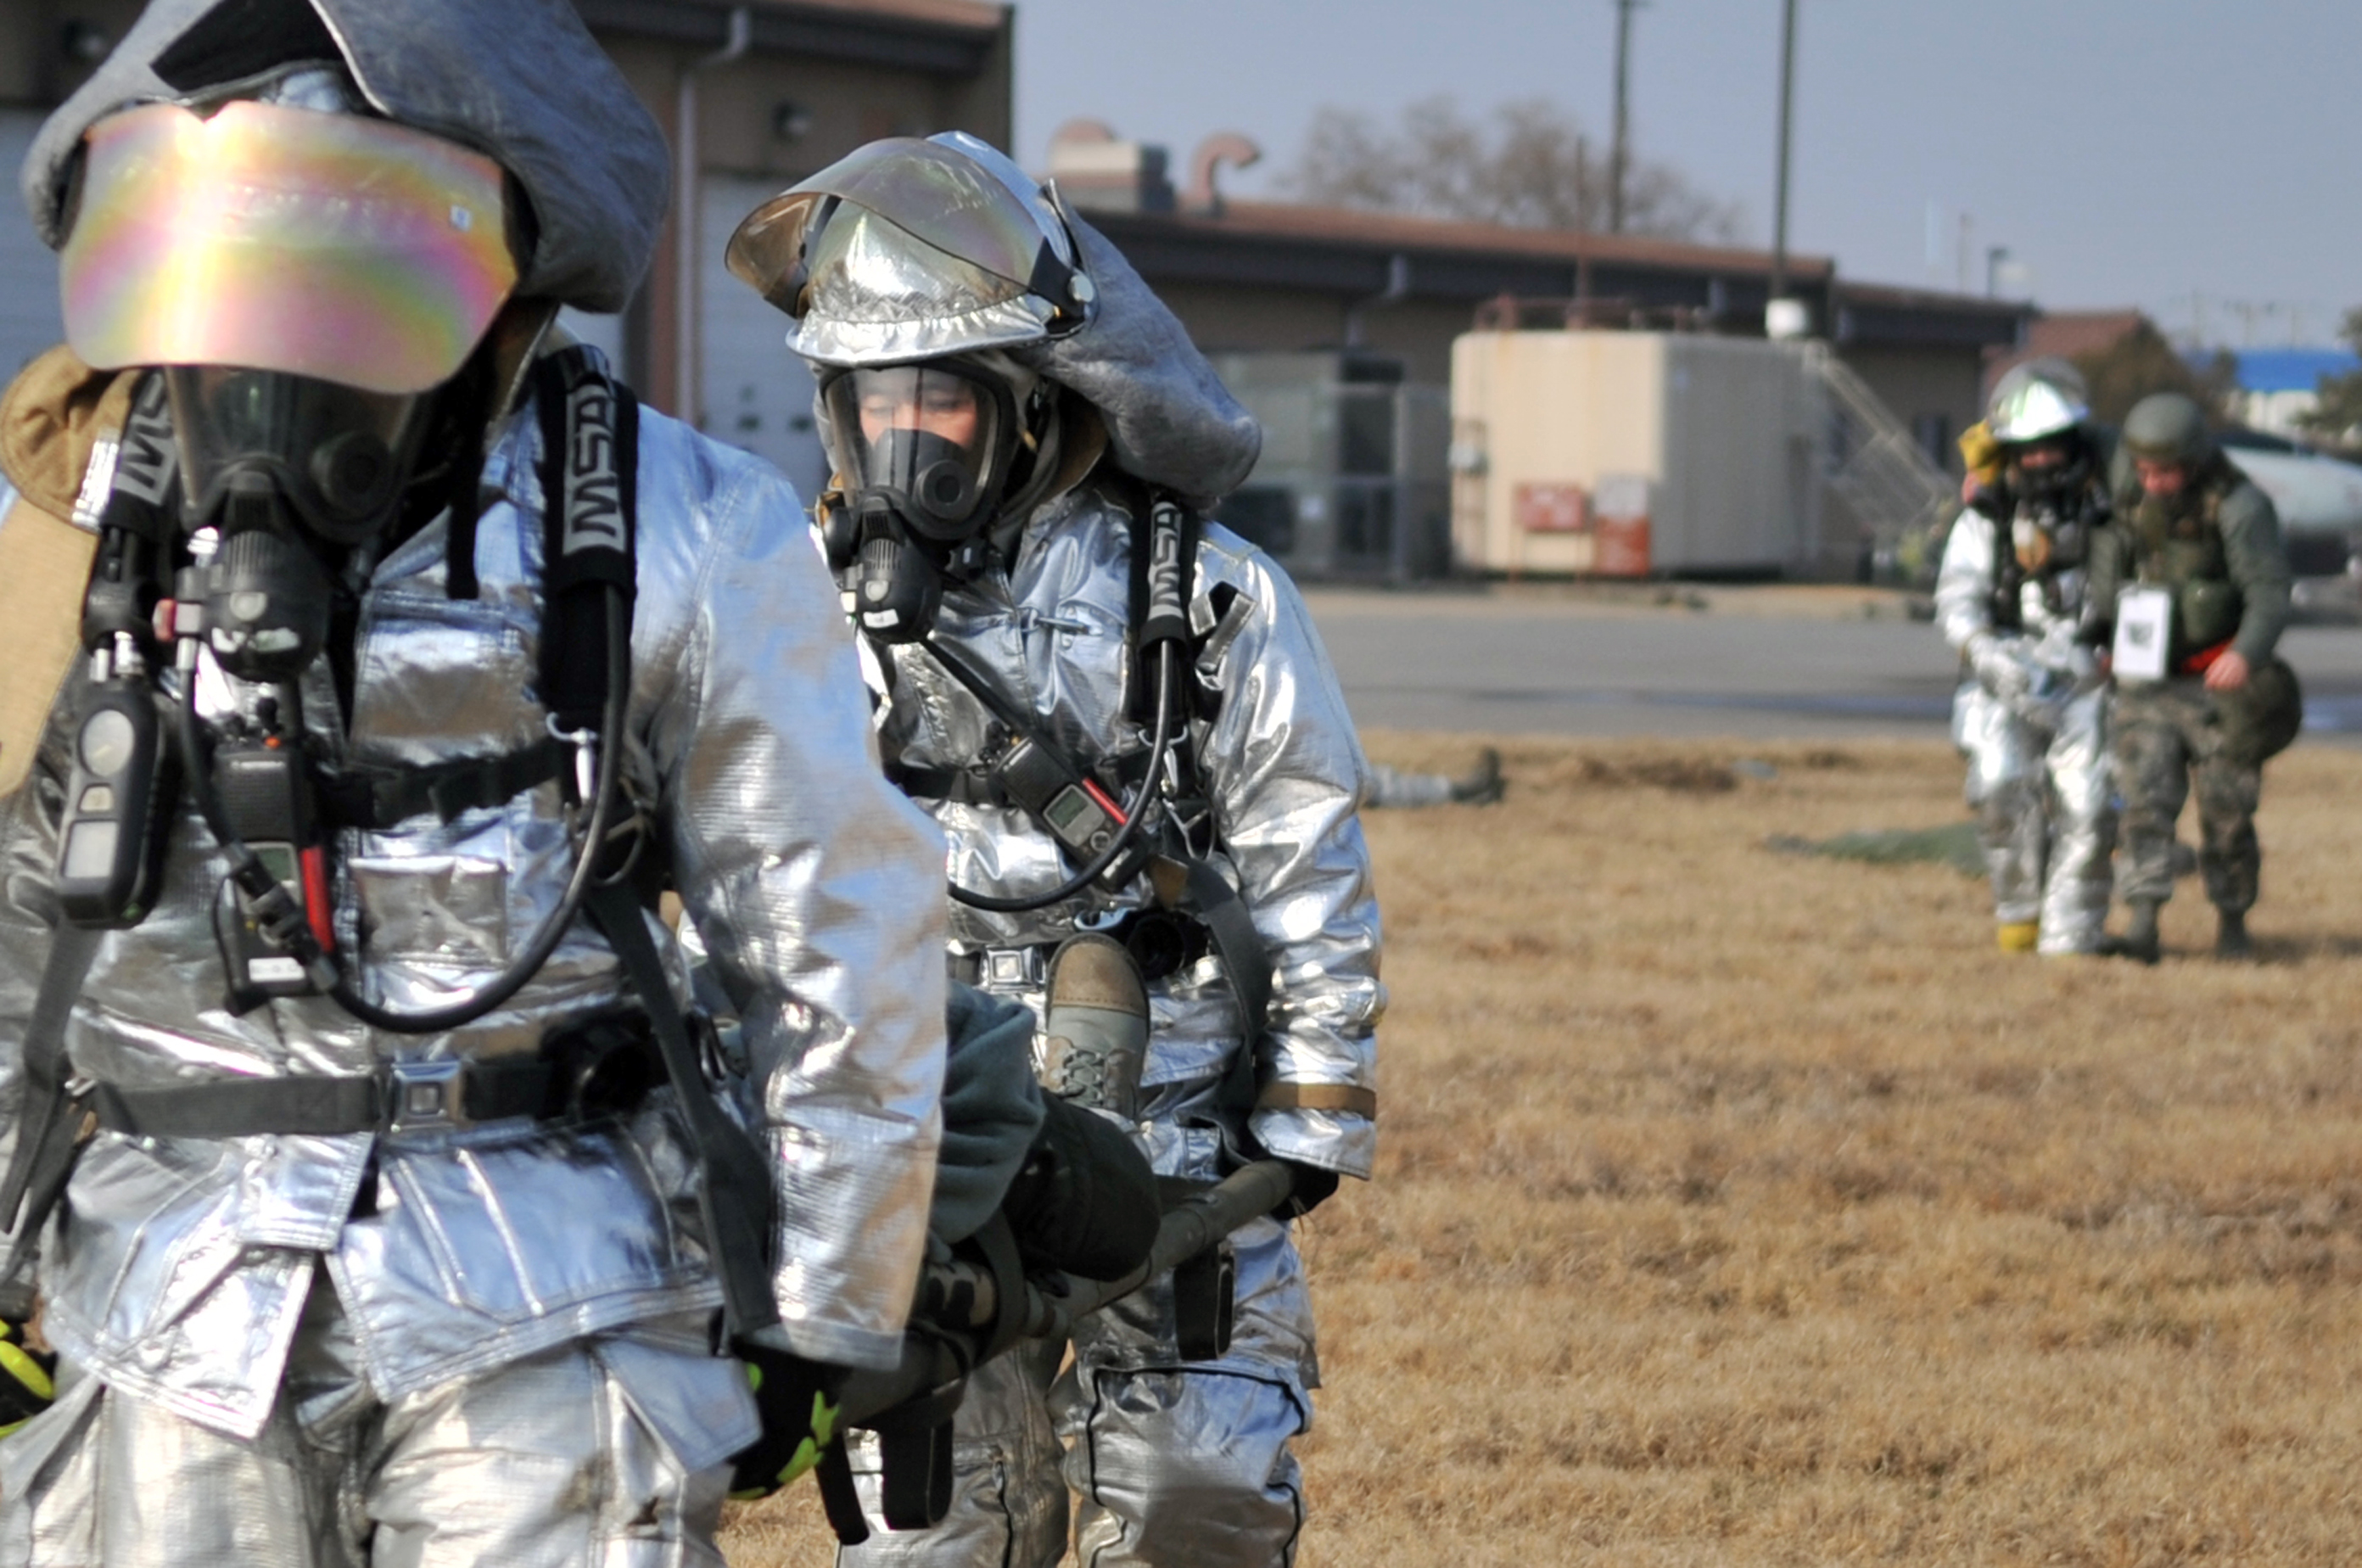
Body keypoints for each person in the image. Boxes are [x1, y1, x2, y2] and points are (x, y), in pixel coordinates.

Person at [0, 2, 953, 1561]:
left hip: (550, 1311)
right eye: (240, 257)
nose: (281, 326)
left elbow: (835, 924)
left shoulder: (675, 524)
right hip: (157, 1301)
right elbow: (17, 908)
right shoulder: (69, 522)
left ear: (500, 281)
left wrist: (825, 1311)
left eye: (345, 262)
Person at [726, 134, 1383, 1565]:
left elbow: (1299, 840)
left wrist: (1315, 1105)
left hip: (1173, 1125)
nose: (905, 445)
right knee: (936, 1522)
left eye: (940, 406)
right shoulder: (799, 608)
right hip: (934, 1131)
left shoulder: (1206, 597)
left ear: (1029, 412)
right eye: (873, 405)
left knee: (1194, 1497)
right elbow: (760, 859)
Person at [2085, 391, 2299, 961]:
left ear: (2195, 460)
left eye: (2166, 471)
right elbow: (2061, 436)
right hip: (2145, 679)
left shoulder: (2238, 506)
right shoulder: (2125, 475)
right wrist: (1984, 478)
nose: (2152, 482)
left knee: (2227, 812)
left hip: (2216, 685)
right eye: (2145, 470)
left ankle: (2232, 922)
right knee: (2142, 802)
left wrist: (2247, 655)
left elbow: (2270, 593)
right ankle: (2143, 924)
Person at [1934, 359, 2118, 955]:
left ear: (2073, 445)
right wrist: (1986, 653)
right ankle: (2019, 914)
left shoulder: (2111, 514)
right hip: (2003, 675)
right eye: (2026, 449)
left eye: (2051, 446)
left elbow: (2139, 588)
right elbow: (1956, 597)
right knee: (1997, 785)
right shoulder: (1984, 516)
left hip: (2088, 680)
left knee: (2089, 807)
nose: (2040, 460)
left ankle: (2071, 937)